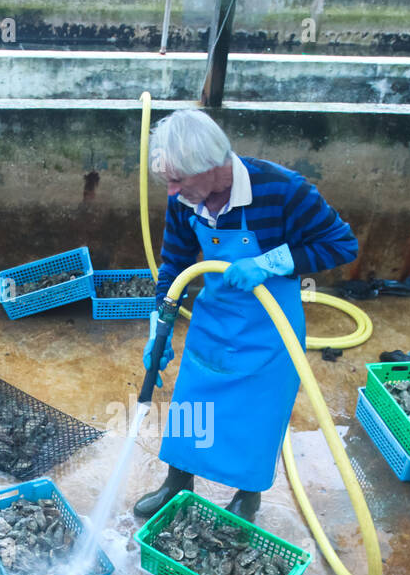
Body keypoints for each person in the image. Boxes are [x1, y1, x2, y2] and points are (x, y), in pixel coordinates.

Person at [134, 109, 358, 524]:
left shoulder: (284, 190)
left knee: (260, 413)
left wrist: (273, 261)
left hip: (270, 328)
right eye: (169, 181)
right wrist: (157, 325)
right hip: (215, 317)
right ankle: (176, 482)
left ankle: (246, 499)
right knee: (192, 405)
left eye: (179, 180)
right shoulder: (186, 201)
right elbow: (175, 263)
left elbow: (342, 244)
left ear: (214, 166)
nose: (172, 191)